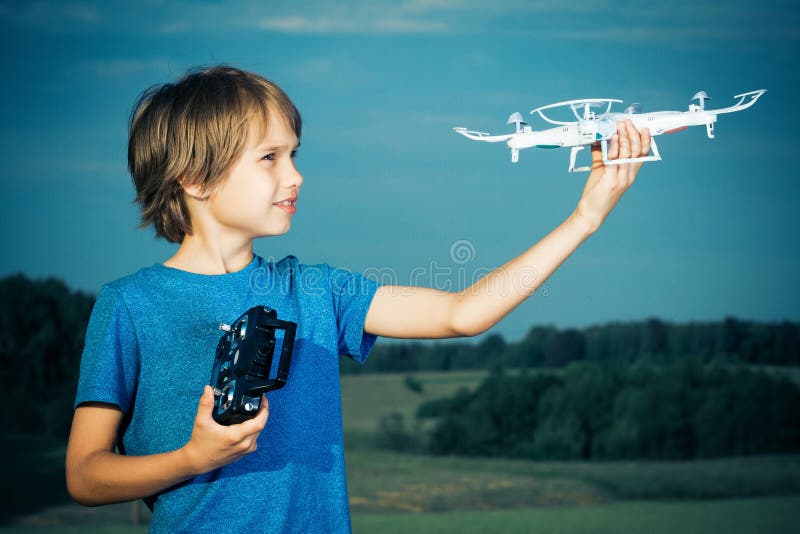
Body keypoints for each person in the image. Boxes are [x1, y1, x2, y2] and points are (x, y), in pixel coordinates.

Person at [66, 65, 651, 533]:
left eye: (295, 155)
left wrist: (586, 216)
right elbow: (86, 477)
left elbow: (461, 313)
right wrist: (193, 458)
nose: (295, 176)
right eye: (270, 158)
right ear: (195, 177)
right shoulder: (129, 306)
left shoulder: (317, 291)